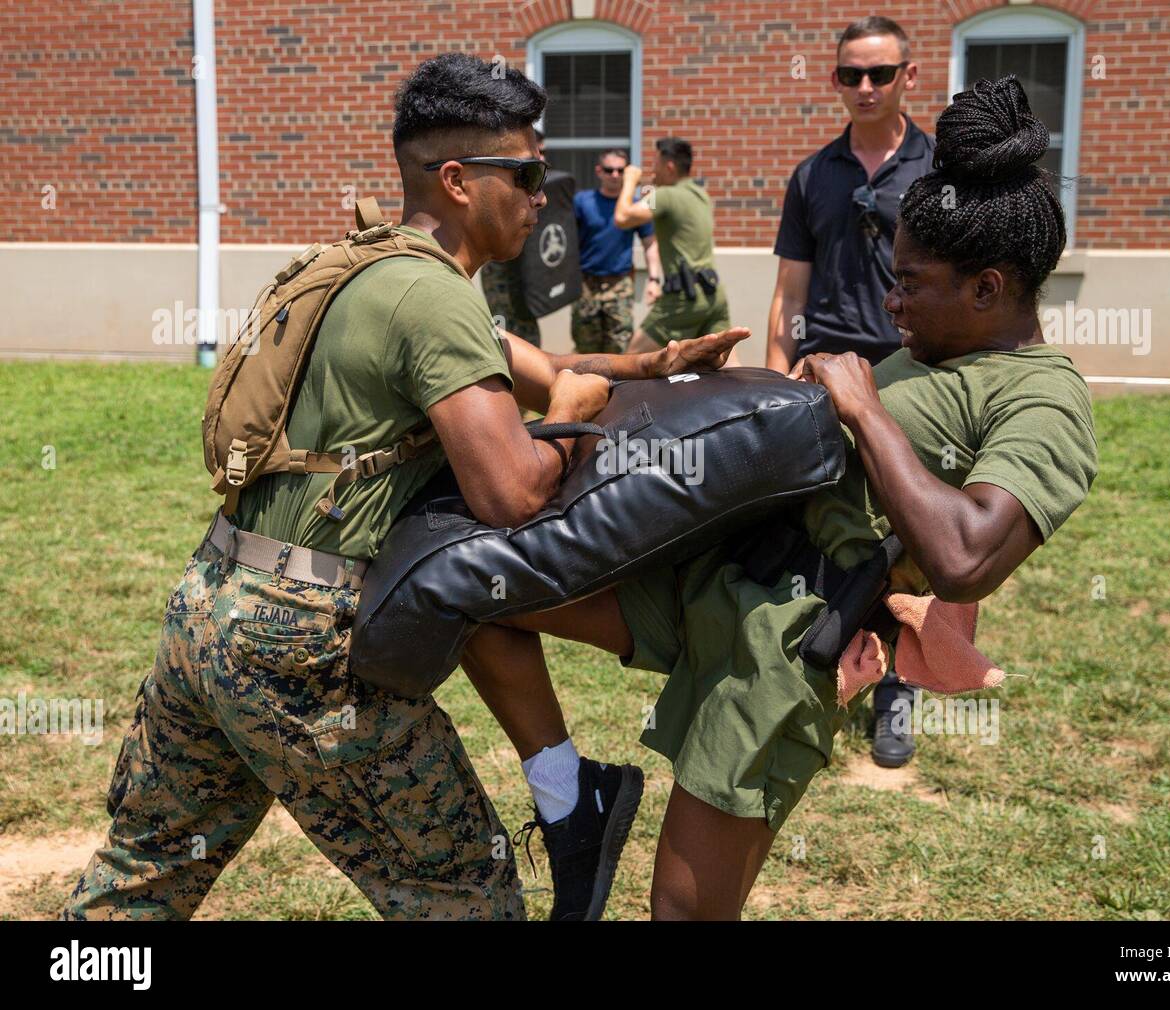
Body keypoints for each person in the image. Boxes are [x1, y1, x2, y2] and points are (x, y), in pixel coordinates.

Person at [63, 52, 748, 923]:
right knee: (462, 892)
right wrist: (573, 420)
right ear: (460, 180)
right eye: (529, 172)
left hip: (212, 609)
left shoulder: (379, 266)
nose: (544, 194)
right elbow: (509, 493)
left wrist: (643, 365)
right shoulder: (436, 301)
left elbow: (521, 366)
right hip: (300, 644)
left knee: (146, 868)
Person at [468, 74, 1098, 919]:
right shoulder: (936, 352)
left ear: (987, 288)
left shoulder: (1043, 397)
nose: (891, 298)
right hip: (703, 579)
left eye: (911, 283)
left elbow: (966, 555)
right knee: (481, 588)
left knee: (685, 910)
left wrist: (863, 408)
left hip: (781, 642)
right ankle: (570, 795)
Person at [768, 16, 935, 767]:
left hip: (914, 371)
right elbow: (788, 290)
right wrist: (776, 379)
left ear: (909, 76)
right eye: (849, 75)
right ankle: (830, 660)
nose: (863, 88)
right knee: (828, 529)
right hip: (823, 373)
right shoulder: (813, 175)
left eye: (879, 73)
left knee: (921, 536)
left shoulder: (942, 173)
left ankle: (904, 683)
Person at [614, 138, 731, 354]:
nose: (652, 172)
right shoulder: (700, 195)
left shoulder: (666, 196)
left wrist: (630, 181)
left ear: (669, 166)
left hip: (684, 300)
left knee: (630, 361)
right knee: (727, 368)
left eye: (655, 164)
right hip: (713, 296)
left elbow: (622, 217)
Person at [571, 148, 662, 354]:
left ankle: (616, 388)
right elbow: (566, 241)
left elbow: (650, 243)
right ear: (599, 171)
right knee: (585, 350)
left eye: (620, 170)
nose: (614, 175)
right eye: (609, 170)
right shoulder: (582, 202)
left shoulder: (634, 206)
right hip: (585, 285)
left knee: (619, 349)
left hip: (620, 285)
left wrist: (654, 279)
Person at [479, 132, 548, 345]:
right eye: (536, 153)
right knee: (501, 326)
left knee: (528, 324)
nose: (541, 158)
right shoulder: (508, 180)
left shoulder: (539, 183)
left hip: (527, 268)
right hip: (501, 266)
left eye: (543, 152)